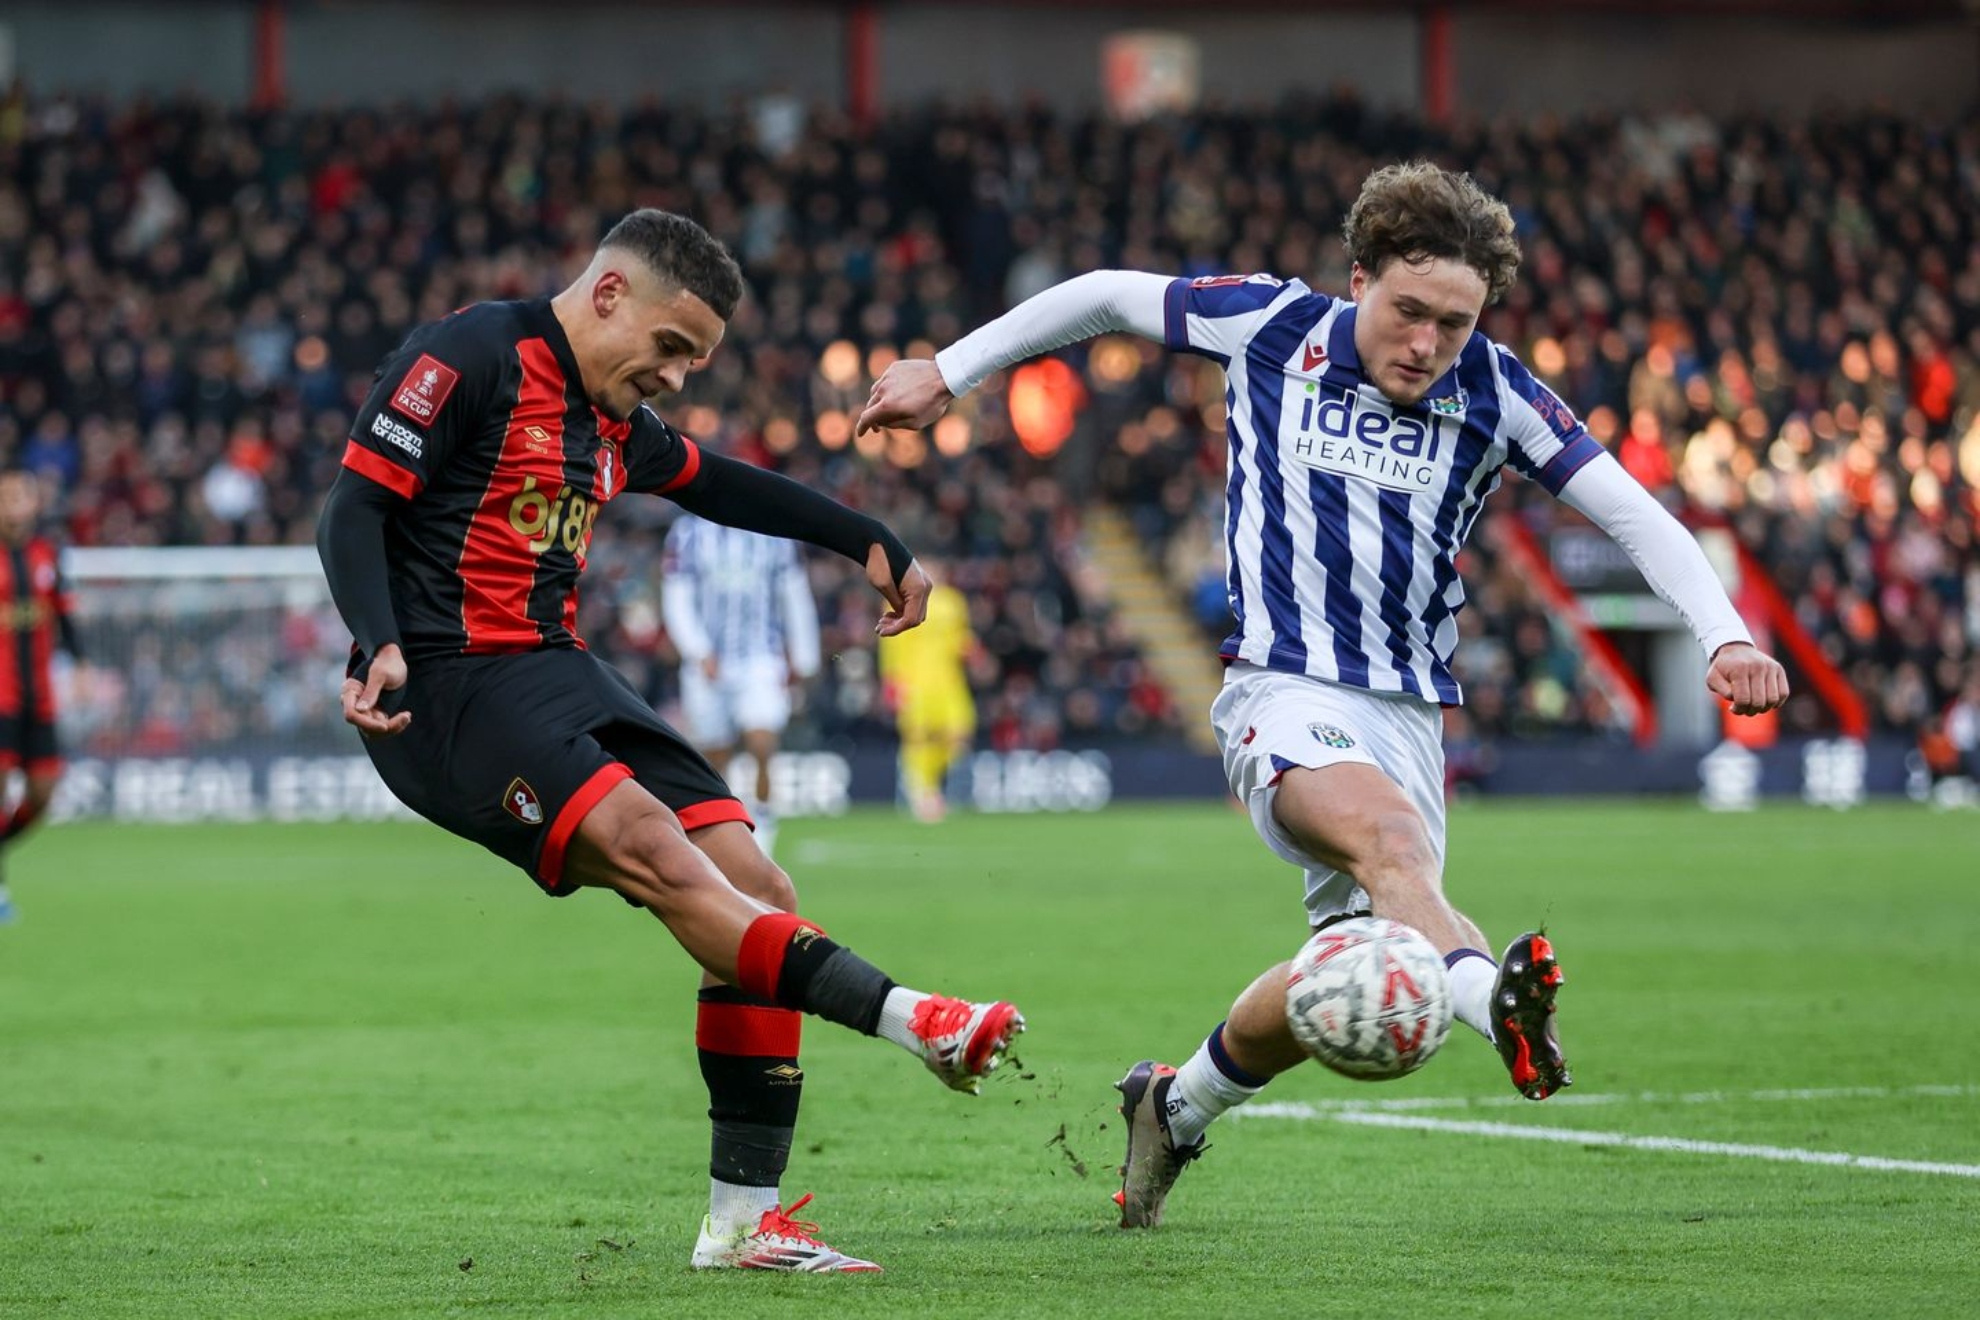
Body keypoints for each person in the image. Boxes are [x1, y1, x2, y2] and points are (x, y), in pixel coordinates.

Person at [857, 162, 1790, 1228]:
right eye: (1409, 312)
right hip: (1282, 691)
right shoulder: (1269, 326)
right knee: (1393, 851)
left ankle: (1175, 1107)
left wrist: (1722, 634)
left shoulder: (1498, 391)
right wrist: (955, 369)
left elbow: (1634, 513)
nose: (1428, 344)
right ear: (1359, 279)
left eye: (1454, 321)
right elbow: (1109, 293)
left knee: (1339, 982)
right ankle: (1500, 1011)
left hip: (1406, 719)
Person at [315, 209, 1024, 1272]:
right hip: (447, 688)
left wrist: (867, 538)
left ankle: (742, 1226)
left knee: (759, 884)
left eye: (696, 358)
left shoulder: (609, 417)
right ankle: (916, 1020)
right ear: (609, 295)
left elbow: (719, 481)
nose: (679, 375)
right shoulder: (470, 355)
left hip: (557, 670)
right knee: (658, 851)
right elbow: (351, 511)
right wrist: (377, 642)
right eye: (673, 346)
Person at [660, 513, 822, 857]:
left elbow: (795, 594)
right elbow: (676, 595)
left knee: (762, 740)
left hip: (761, 657)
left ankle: (764, 828)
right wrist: (697, 650)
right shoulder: (688, 533)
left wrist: (804, 656)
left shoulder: (776, 534)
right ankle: (725, 830)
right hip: (707, 664)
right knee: (716, 758)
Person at [0, 471, 80, 925]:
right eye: (6, 496)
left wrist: (83, 664)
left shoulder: (47, 554)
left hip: (40, 696)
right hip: (0, 692)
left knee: (42, 793)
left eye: (21, 495)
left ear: (33, 504)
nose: (14, 504)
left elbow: (66, 616)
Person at [876, 574, 977, 822]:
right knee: (919, 737)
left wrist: (974, 654)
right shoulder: (895, 603)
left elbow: (960, 639)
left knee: (959, 733)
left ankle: (934, 788)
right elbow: (890, 646)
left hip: (949, 681)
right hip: (914, 683)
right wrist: (890, 684)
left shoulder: (954, 601)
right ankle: (923, 793)